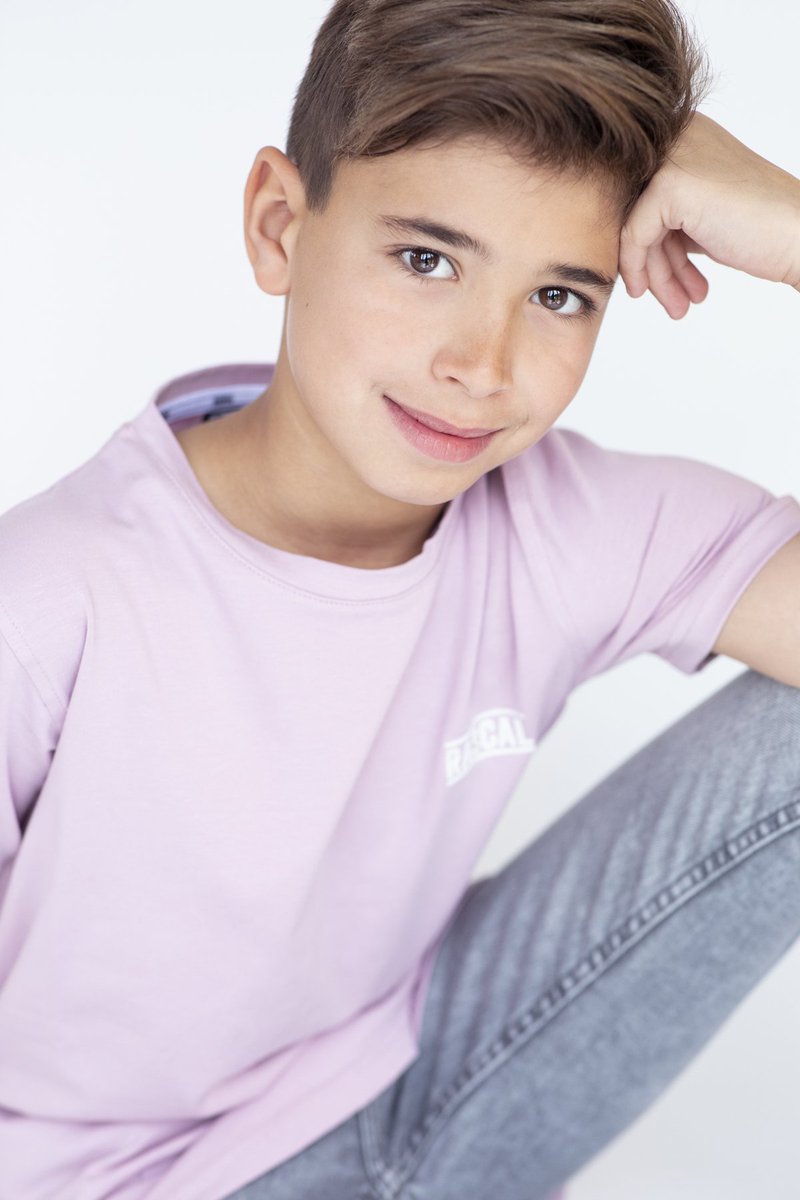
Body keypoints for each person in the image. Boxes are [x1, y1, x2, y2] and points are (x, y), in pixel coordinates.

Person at [0, 1, 798, 1198]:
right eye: (427, 261)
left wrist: (792, 230)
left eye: (558, 295)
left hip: (417, 1074)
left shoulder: (562, 523)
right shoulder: (48, 601)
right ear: (279, 225)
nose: (479, 365)